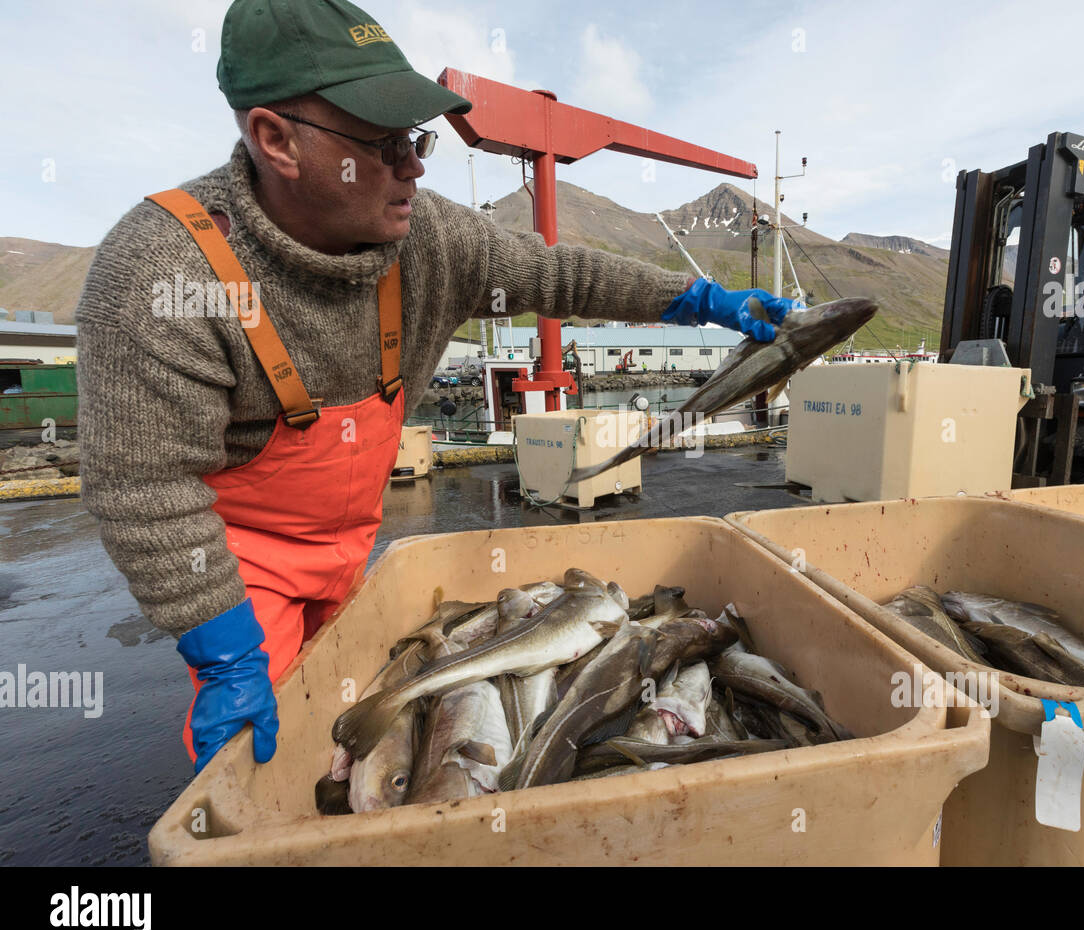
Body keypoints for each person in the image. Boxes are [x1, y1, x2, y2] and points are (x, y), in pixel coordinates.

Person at [76, 0, 799, 773]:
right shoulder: (161, 271)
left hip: (350, 548)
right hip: (236, 567)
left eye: (414, 139)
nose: (413, 166)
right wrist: (223, 648)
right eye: (382, 143)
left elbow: (559, 273)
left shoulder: (431, 238)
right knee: (266, 762)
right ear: (276, 139)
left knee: (358, 727)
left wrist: (700, 302)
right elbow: (145, 485)